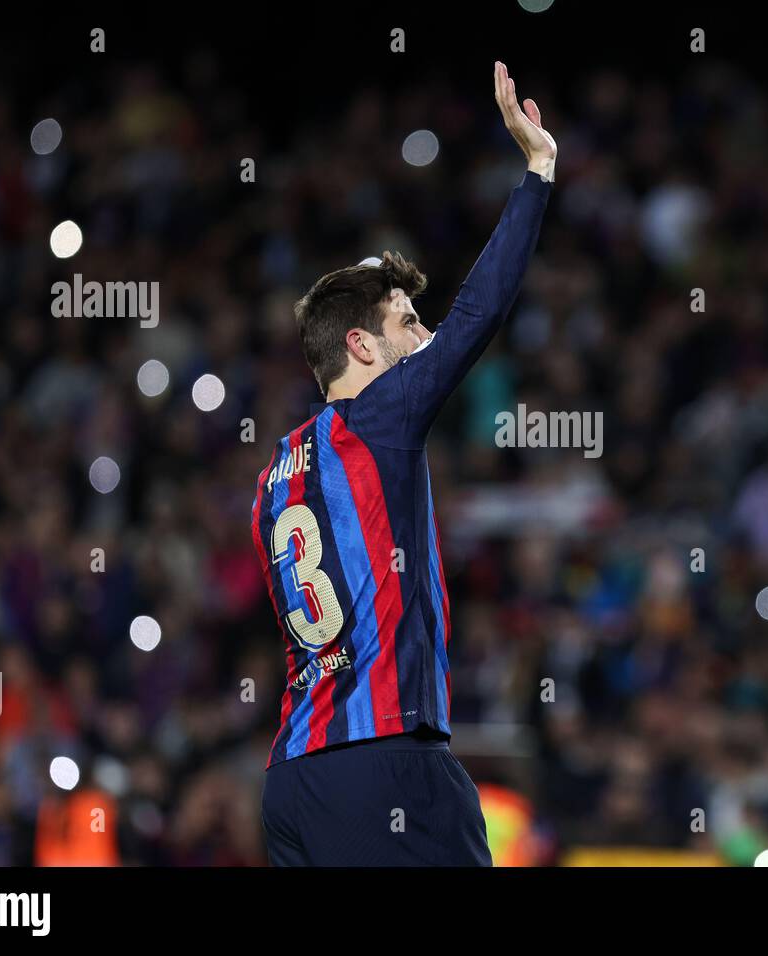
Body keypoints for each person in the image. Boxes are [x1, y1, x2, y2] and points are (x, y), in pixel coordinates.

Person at [253, 61, 555, 865]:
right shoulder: (381, 415)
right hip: (385, 762)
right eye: (406, 321)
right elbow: (479, 315)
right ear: (361, 345)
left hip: (293, 779)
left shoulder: (274, 472)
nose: (422, 339)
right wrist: (537, 173)